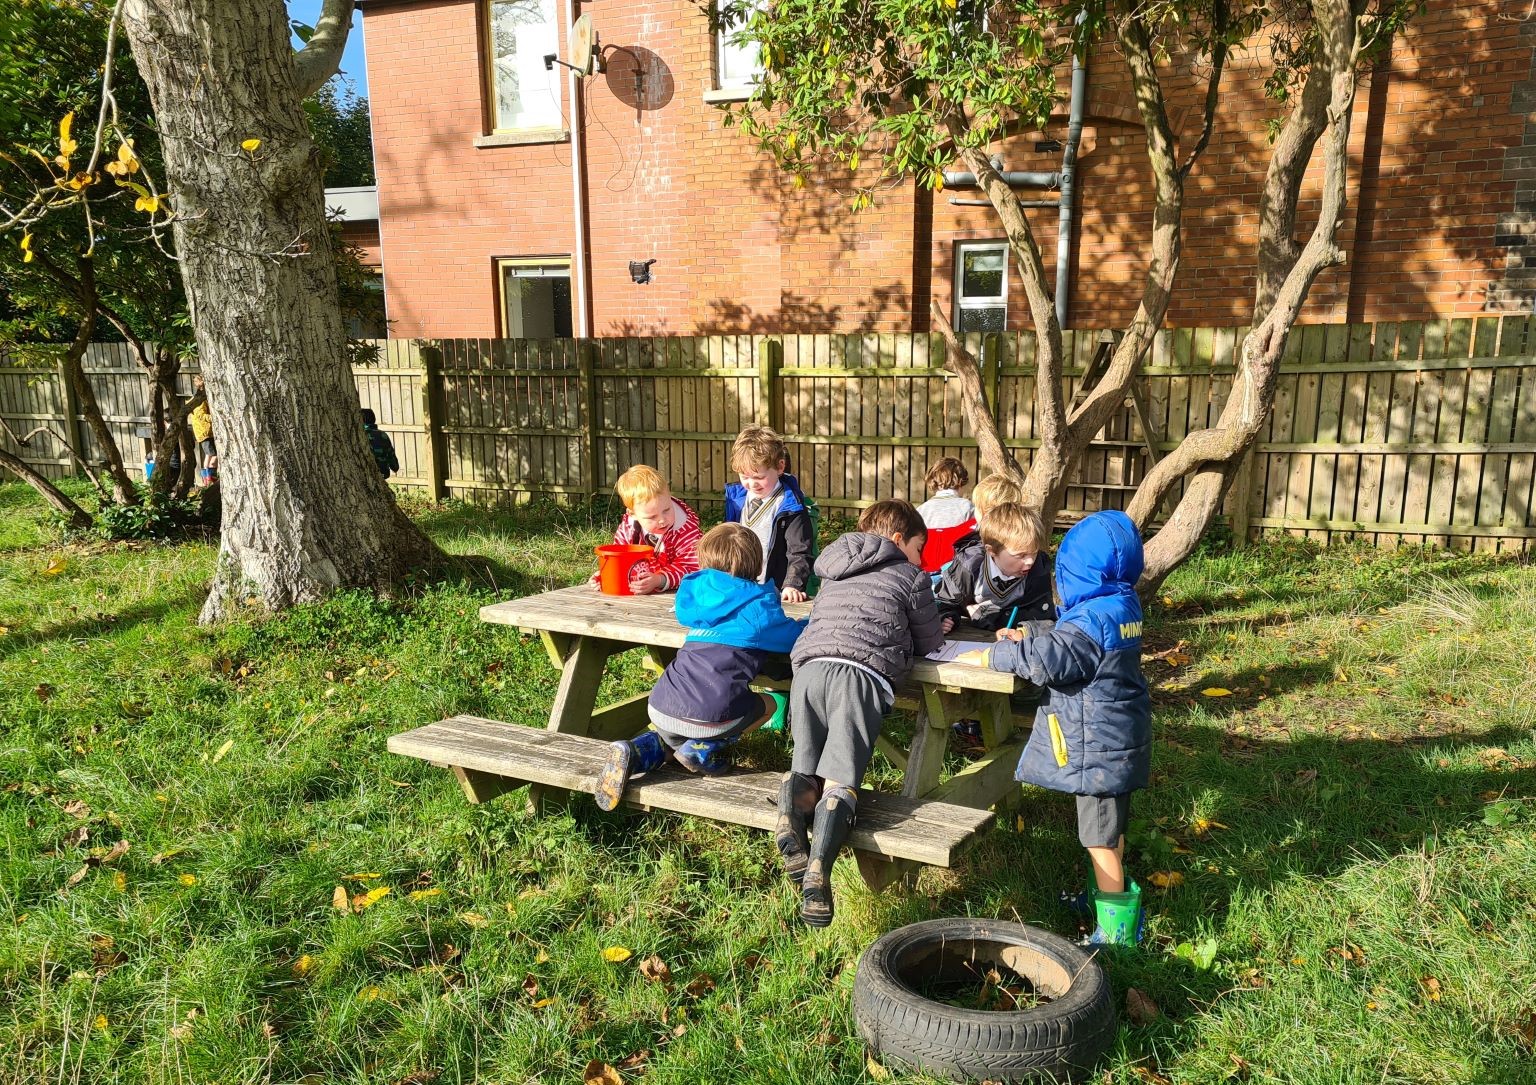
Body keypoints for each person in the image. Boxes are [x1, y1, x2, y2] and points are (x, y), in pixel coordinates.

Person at [974, 510, 1152, 946]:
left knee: (1099, 837)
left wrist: (996, 656)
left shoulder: (1091, 622)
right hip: (1116, 738)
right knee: (1109, 833)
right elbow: (1071, 636)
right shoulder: (1119, 603)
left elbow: (1048, 661)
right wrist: (1033, 630)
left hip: (1098, 750)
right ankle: (1102, 897)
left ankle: (1117, 934)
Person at [777, 500, 944, 927]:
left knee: (806, 763)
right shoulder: (912, 577)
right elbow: (927, 642)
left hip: (809, 670)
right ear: (897, 539)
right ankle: (819, 870)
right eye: (918, 547)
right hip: (861, 675)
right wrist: (937, 626)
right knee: (841, 778)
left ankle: (789, 820)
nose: (920, 558)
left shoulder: (833, 570)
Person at [594, 524, 805, 810]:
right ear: (758, 565)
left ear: (704, 561)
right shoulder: (759, 608)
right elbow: (790, 639)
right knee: (769, 703)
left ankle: (637, 751)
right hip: (712, 715)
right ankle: (707, 748)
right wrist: (810, 622)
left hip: (661, 704)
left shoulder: (696, 599)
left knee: (674, 735)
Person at [723, 425, 815, 602]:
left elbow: (800, 550)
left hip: (775, 589)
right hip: (742, 586)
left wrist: (793, 584)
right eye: (744, 476)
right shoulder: (737, 500)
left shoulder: (791, 507)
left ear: (780, 467)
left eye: (758, 477)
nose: (751, 484)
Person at [935, 502, 1055, 634]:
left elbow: (1043, 615)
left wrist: (988, 616)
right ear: (991, 551)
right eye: (1021, 555)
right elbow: (946, 600)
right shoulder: (969, 564)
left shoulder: (1039, 569)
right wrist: (945, 617)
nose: (1030, 561)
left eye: (1034, 552)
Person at [595, 465, 701, 594]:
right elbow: (619, 560)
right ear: (632, 514)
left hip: (676, 597)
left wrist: (659, 579)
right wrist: (605, 576)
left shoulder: (686, 531)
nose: (662, 520)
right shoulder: (628, 529)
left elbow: (692, 568)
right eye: (652, 517)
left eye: (667, 510)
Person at [915, 457, 975, 573]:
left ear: (932, 481)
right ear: (961, 482)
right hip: (956, 569)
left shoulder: (921, 510)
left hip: (924, 569)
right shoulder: (967, 507)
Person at [190, 376, 216, 487]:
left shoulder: (199, 397)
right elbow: (200, 415)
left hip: (205, 431)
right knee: (213, 455)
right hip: (204, 431)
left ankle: (208, 478)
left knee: (209, 455)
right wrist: (214, 418)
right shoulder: (199, 399)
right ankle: (209, 478)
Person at [362, 408, 399, 479]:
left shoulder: (358, 435)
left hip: (364, 472)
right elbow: (390, 453)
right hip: (382, 471)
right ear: (374, 419)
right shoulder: (382, 435)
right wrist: (395, 467)